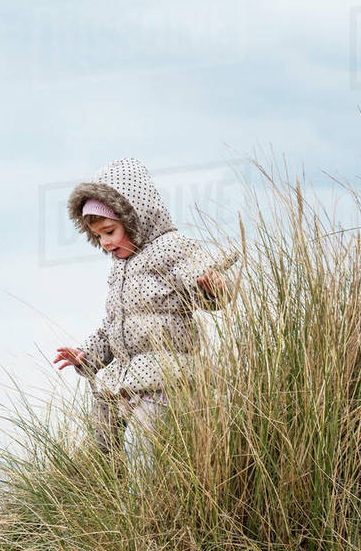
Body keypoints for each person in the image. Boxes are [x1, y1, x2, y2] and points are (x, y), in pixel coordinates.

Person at [52, 158, 238, 468]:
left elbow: (204, 285)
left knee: (145, 451)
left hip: (163, 377)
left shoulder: (171, 248)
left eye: (110, 231)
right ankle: (111, 499)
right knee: (102, 444)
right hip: (123, 379)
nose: (107, 243)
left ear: (135, 217)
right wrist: (86, 354)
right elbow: (112, 326)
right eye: (98, 237)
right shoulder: (120, 268)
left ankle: (147, 510)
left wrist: (213, 288)